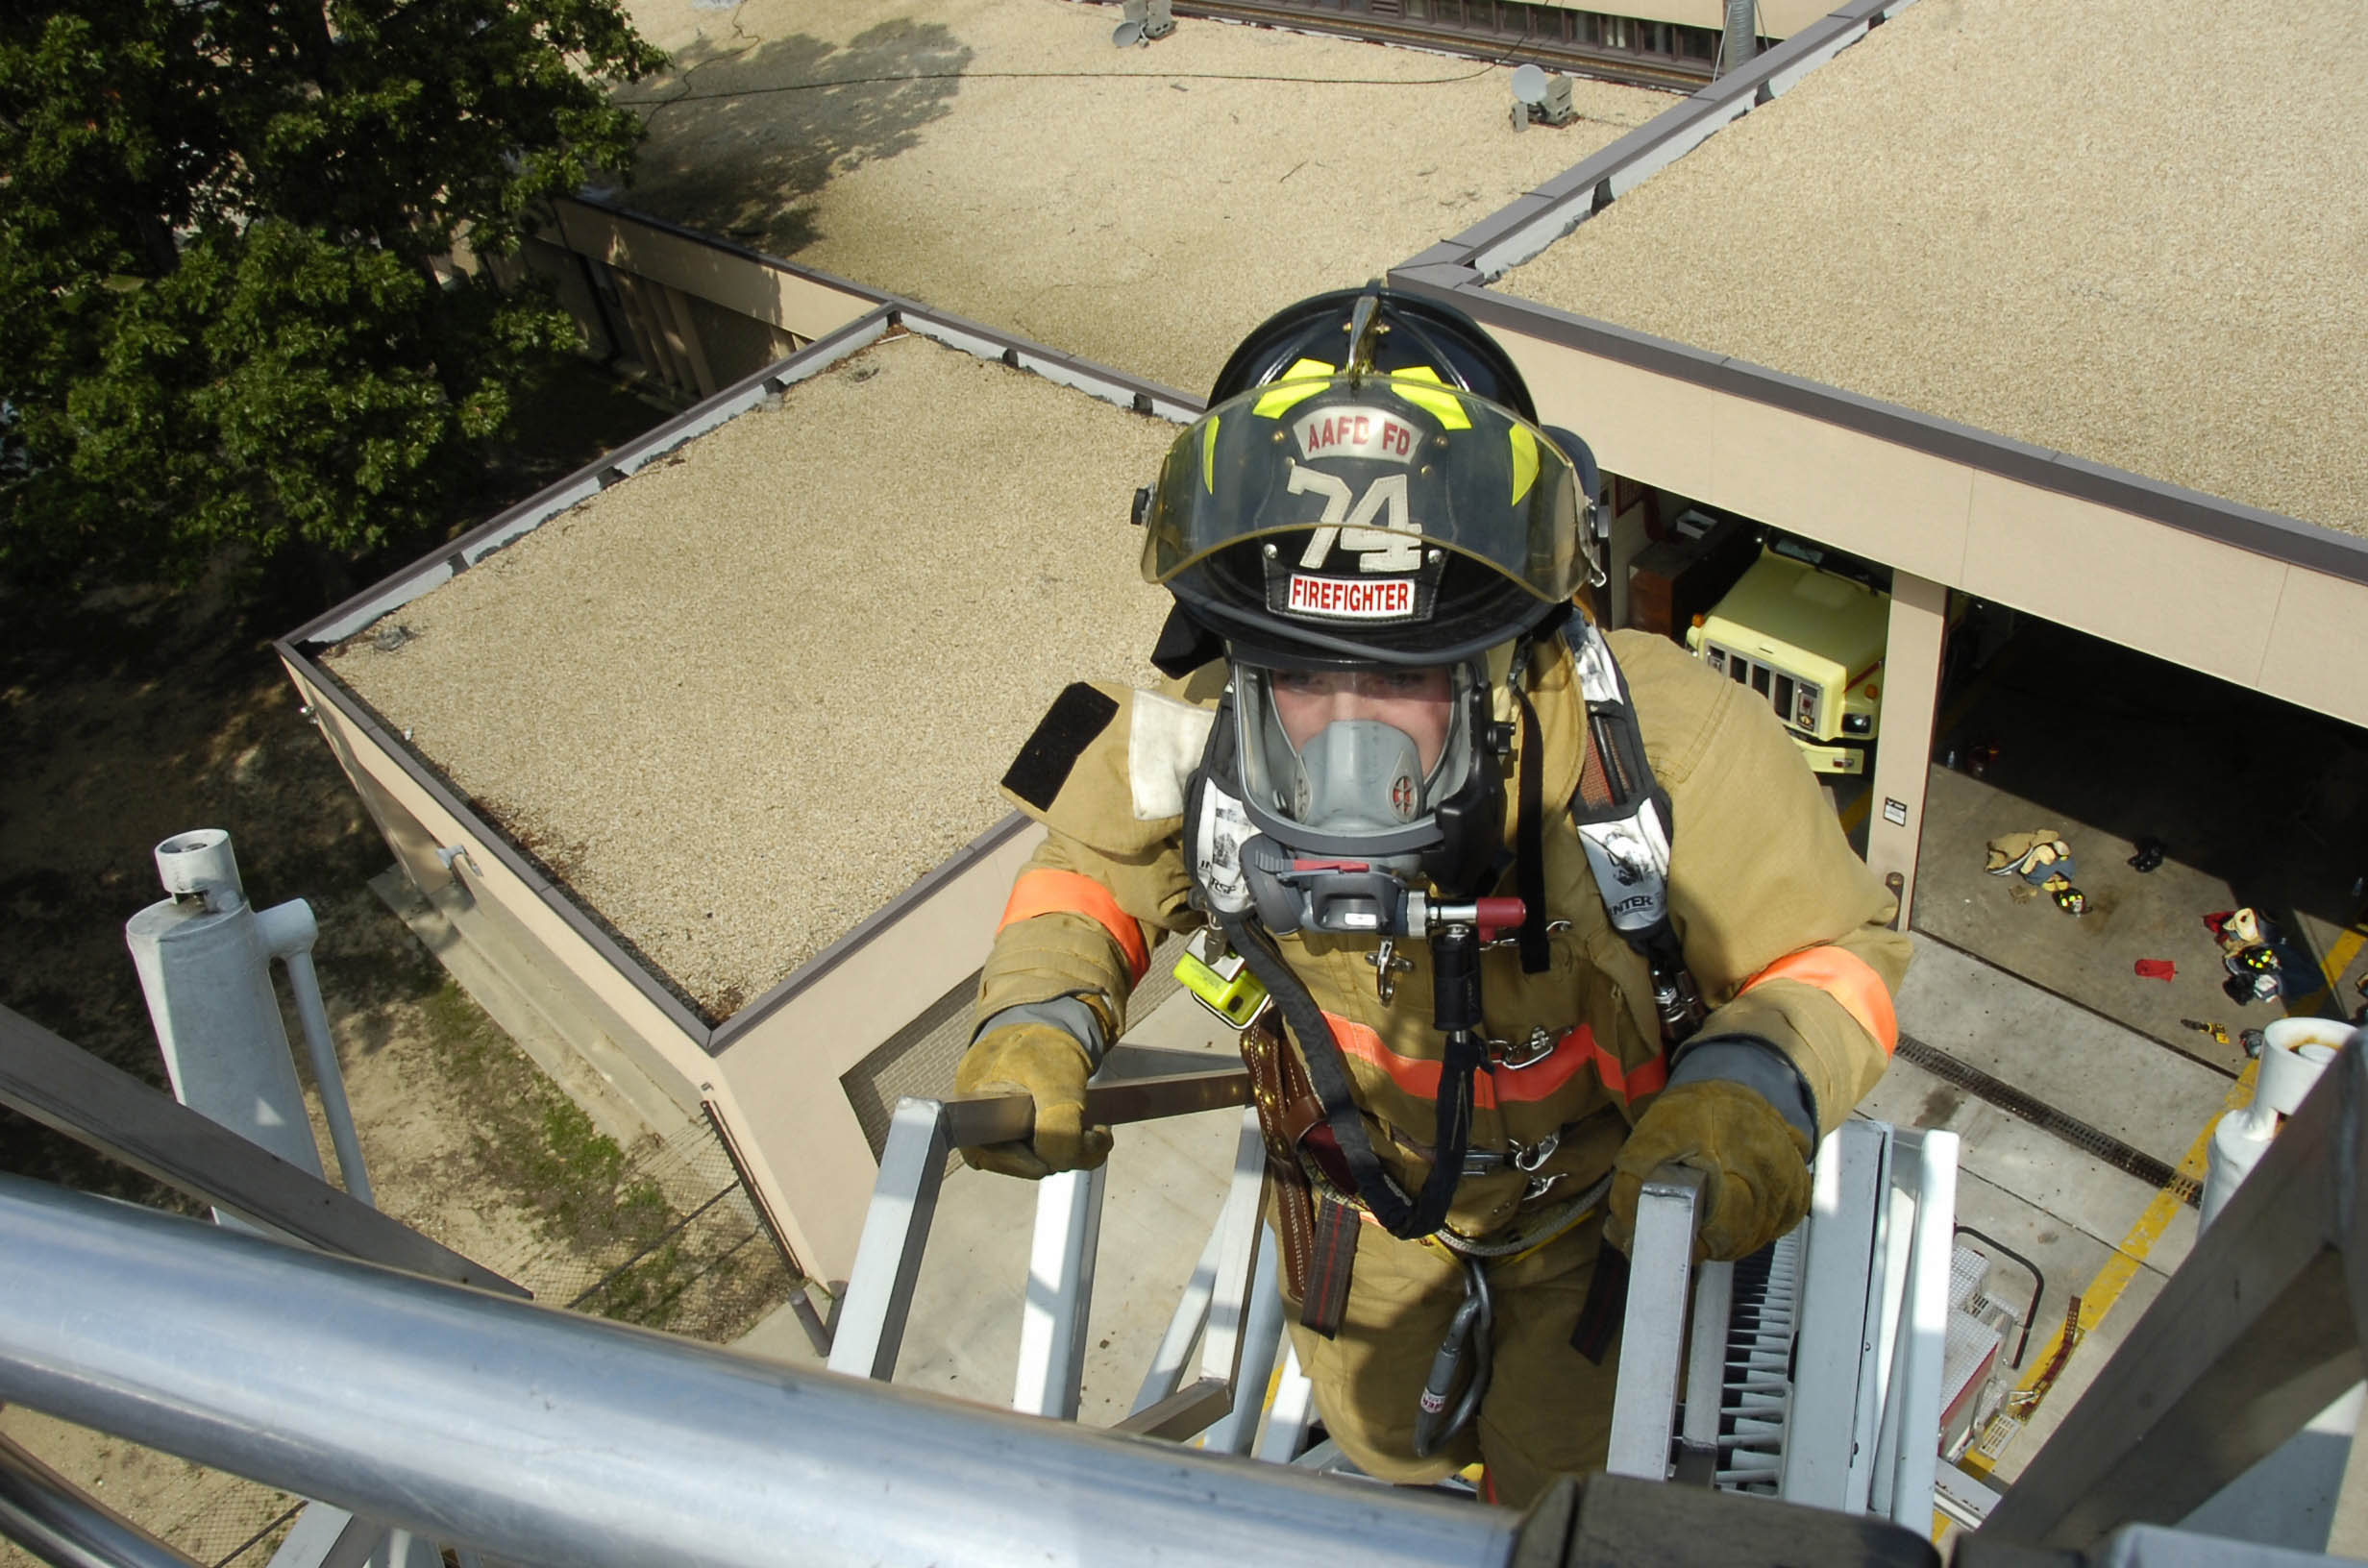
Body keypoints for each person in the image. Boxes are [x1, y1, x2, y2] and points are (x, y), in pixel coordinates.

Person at [952, 285, 1906, 1505]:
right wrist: (1037, 1020)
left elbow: (1829, 956)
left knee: (1560, 1476)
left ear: (1500, 647)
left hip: (1591, 1210)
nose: (1350, 739)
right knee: (1382, 1441)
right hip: (1358, 1183)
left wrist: (1747, 1094)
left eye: (1405, 679)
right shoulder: (1199, 728)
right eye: (1301, 676)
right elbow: (1088, 873)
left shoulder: (1663, 743)